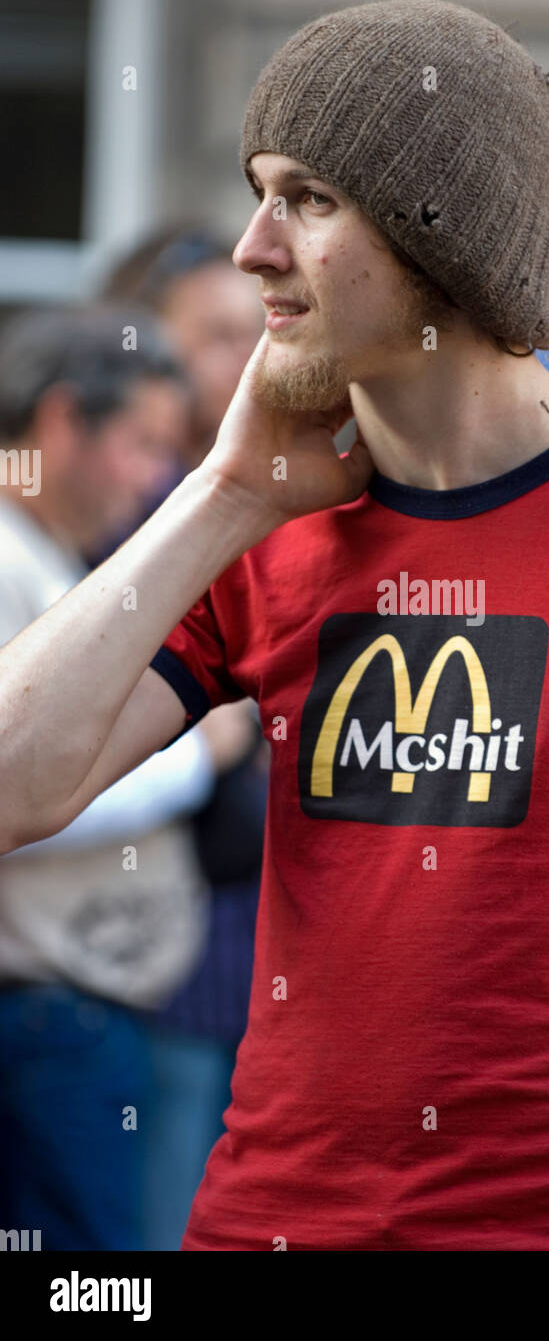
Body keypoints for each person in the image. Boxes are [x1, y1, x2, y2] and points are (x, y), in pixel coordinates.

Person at [1, 0, 549, 1252]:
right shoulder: (263, 526)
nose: (250, 249)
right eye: (257, 191)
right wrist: (225, 494)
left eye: (305, 198)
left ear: (434, 234)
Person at [0, 305, 253, 1249]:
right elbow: (19, 787)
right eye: (142, 444)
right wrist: (200, 748)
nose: (155, 476)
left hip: (71, 1013)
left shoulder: (43, 552)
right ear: (64, 420)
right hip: (47, 1016)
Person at [95, 228, 266, 1251]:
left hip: (261, 979)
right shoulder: (134, 518)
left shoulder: (274, 496)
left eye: (258, 331)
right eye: (214, 335)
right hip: (161, 974)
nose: (245, 359)